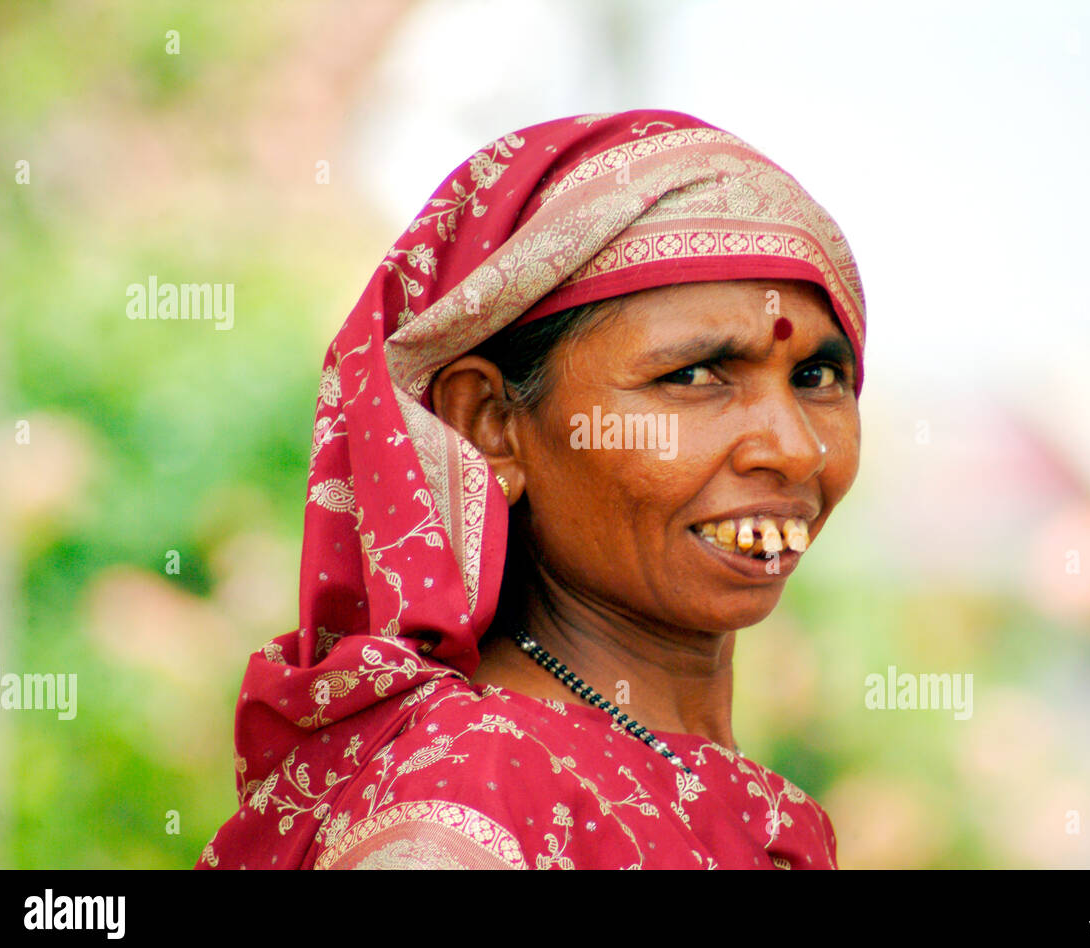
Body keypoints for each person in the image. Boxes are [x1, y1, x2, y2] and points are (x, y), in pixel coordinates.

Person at [196, 109, 866, 869]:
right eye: (693, 375)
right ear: (490, 425)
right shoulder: (468, 795)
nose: (794, 447)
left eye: (818, 376)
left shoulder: (768, 811)